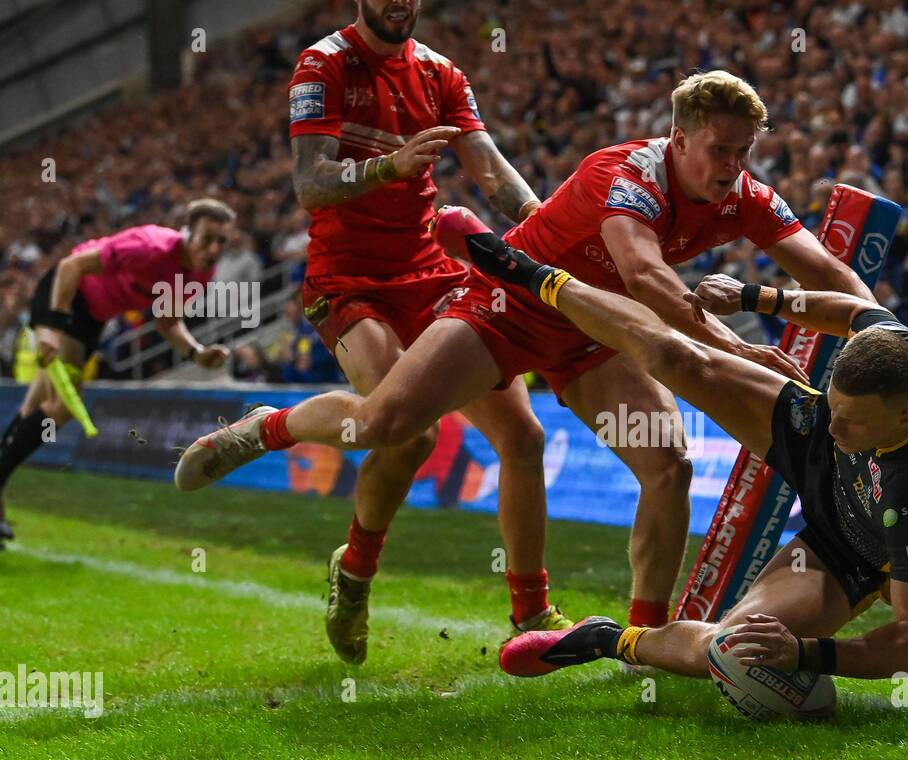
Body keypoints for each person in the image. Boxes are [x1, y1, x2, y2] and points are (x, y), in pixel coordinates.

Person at [176, 70, 871, 637]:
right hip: (507, 308)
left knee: (668, 463)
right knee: (386, 426)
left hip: (592, 332)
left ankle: (640, 642)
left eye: (744, 151)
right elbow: (648, 281)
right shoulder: (625, 174)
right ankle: (266, 425)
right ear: (678, 138)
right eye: (721, 149)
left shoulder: (743, 195)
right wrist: (747, 356)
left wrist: (886, 329)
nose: (733, 167)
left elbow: (825, 271)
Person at [434, 210, 908, 684]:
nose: (839, 431)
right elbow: (851, 310)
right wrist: (757, 296)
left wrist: (804, 656)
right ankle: (524, 270)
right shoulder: (885, 371)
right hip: (811, 445)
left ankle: (606, 640)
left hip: (853, 543)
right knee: (680, 357)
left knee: (732, 650)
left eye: (855, 422)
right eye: (836, 407)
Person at [274, 0, 567, 661]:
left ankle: (531, 614)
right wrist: (388, 166)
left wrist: (554, 230)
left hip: (429, 275)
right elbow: (308, 184)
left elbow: (491, 171)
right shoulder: (322, 65)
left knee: (523, 435)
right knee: (406, 430)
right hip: (348, 279)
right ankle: (353, 576)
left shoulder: (442, 74)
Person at [0, 199, 233, 548]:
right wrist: (53, 324)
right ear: (187, 232)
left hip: (93, 317)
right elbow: (71, 265)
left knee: (35, 406)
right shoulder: (149, 247)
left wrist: (196, 353)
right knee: (62, 404)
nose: (214, 249)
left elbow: (167, 321)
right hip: (66, 295)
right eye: (207, 239)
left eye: (222, 242)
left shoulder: (201, 272)